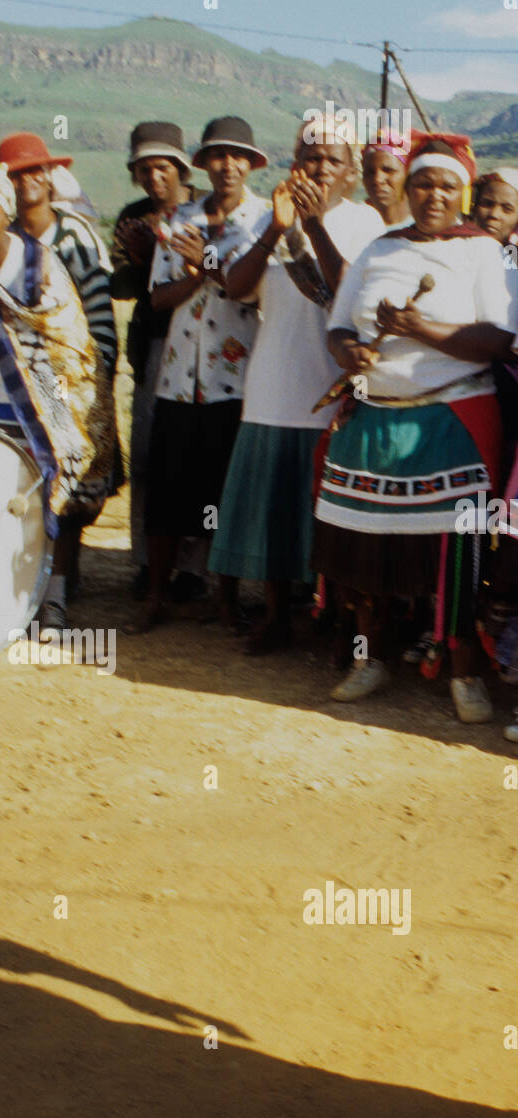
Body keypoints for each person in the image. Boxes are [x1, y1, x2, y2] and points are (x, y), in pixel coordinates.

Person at [311, 133, 514, 723]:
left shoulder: (483, 254)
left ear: (464, 194)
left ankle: (464, 672)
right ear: (407, 186)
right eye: (423, 182)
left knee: (459, 555)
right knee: (361, 544)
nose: (433, 195)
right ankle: (369, 658)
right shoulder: (379, 249)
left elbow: (500, 341)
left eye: (447, 186)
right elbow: (338, 325)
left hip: (453, 418)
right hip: (373, 417)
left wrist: (420, 329)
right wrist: (349, 353)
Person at [210, 115, 385, 654]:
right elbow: (235, 288)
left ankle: (334, 623)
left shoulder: (367, 224)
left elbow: (351, 295)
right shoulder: (271, 216)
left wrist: (312, 228)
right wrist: (274, 228)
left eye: (334, 159)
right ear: (295, 164)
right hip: (271, 388)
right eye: (312, 157)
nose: (322, 167)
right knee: (272, 510)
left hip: (330, 392)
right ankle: (276, 615)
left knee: (330, 516)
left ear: (351, 172)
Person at [0, 160, 116, 634]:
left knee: (55, 495)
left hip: (47, 389)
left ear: (5, 213)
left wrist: (64, 417)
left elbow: (66, 342)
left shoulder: (39, 264)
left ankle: (51, 601)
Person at [130, 117, 271, 632]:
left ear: (252, 164)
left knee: (222, 495)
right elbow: (157, 298)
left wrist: (206, 262)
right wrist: (193, 275)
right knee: (167, 493)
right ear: (204, 164)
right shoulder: (178, 219)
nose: (227, 165)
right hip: (176, 379)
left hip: (235, 380)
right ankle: (156, 595)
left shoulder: (265, 222)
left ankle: (224, 598)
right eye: (217, 156)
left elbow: (243, 290)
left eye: (238, 156)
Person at [0, 130, 119, 601]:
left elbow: (98, 316)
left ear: (50, 176)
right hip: (17, 380)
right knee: (23, 484)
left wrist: (91, 384)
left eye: (34, 169)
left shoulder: (75, 237)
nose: (26, 180)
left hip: (70, 379)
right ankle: (27, 589)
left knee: (67, 488)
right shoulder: (2, 239)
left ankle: (57, 594)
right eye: (16, 173)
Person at [110, 122, 197, 596]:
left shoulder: (204, 210)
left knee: (196, 458)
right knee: (147, 456)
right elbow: (123, 289)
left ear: (181, 167)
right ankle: (147, 562)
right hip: (154, 345)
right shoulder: (132, 216)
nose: (153, 177)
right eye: (144, 169)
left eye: (162, 166)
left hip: (206, 349)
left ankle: (193, 568)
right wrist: (144, 259)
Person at [471, 167, 518, 734]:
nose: (491, 214)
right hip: (477, 399)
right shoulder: (464, 252)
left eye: (505, 207)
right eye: (484, 204)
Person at [362, 133, 412, 230]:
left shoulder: (426, 225)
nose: (377, 180)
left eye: (388, 170)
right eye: (370, 172)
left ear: (408, 175)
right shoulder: (351, 222)